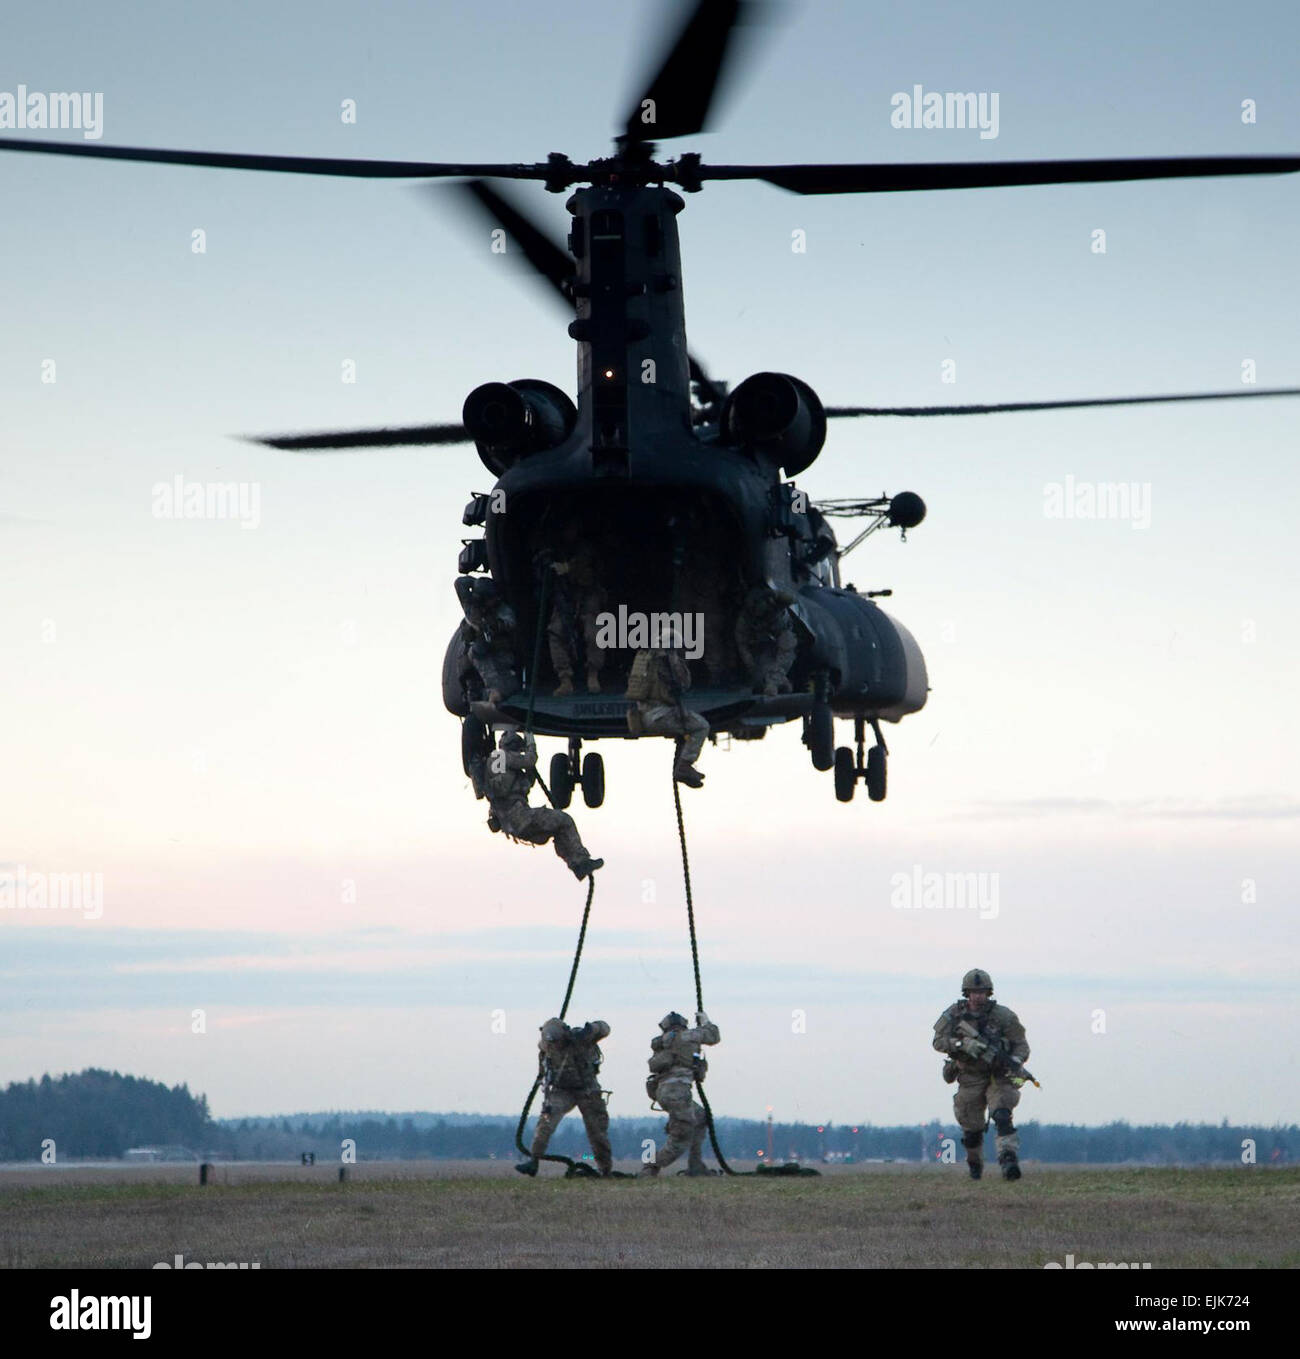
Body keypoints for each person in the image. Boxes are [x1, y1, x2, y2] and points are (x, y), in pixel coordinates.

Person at [932, 969, 1031, 1181]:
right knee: (972, 1129)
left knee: (1002, 1115)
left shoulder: (1004, 1016)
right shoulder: (953, 1015)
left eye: (983, 992)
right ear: (967, 993)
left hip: (999, 1075)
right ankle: (975, 1167)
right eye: (974, 992)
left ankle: (1008, 1160)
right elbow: (938, 1041)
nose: (978, 996)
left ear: (989, 993)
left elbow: (1021, 1045)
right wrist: (961, 1044)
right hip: (969, 1075)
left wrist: (1015, 1061)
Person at [483, 728, 603, 880]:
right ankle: (579, 861)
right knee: (565, 820)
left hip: (511, 823)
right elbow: (530, 759)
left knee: (559, 828)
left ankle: (578, 864)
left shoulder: (497, 761)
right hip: (520, 817)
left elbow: (525, 782)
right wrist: (530, 739)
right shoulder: (501, 756)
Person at [516, 1018, 612, 1177]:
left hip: (587, 1090)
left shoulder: (580, 1039)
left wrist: (591, 1029)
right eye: (552, 1043)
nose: (556, 1046)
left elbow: (605, 1028)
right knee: (546, 1122)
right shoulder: (546, 1045)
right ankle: (534, 1160)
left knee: (597, 1131)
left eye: (558, 1041)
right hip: (561, 1090)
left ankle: (605, 1169)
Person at [639, 1011, 721, 1177]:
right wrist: (706, 1021)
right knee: (681, 1136)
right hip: (677, 1092)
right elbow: (713, 1036)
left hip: (666, 1091)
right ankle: (651, 1167)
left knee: (700, 1118)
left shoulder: (664, 1042)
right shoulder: (686, 1037)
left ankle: (695, 1166)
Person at [625, 648, 710, 787]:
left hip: (643, 716)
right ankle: (685, 765)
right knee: (701, 726)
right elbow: (683, 683)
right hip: (662, 715)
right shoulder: (669, 662)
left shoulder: (642, 659)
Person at [548, 544, 607, 696]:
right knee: (555, 631)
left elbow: (589, 567)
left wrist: (569, 568)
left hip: (589, 594)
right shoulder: (552, 548)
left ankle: (593, 674)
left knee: (593, 631)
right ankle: (565, 679)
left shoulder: (585, 548)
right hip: (565, 597)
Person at [454, 575, 520, 705]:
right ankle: (472, 692)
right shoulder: (471, 606)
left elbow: (510, 622)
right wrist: (477, 584)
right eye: (490, 598)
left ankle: (495, 692)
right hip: (475, 654)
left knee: (480, 651)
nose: (495, 600)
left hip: (499, 654)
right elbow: (460, 582)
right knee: (468, 660)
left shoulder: (501, 610)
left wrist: (492, 625)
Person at [735, 585, 797, 697]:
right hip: (764, 644)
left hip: (783, 637)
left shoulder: (776, 604)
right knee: (761, 673)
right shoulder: (746, 618)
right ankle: (782, 683)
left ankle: (773, 684)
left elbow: (792, 599)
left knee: (786, 648)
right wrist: (749, 661)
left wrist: (776, 594)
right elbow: (741, 641)